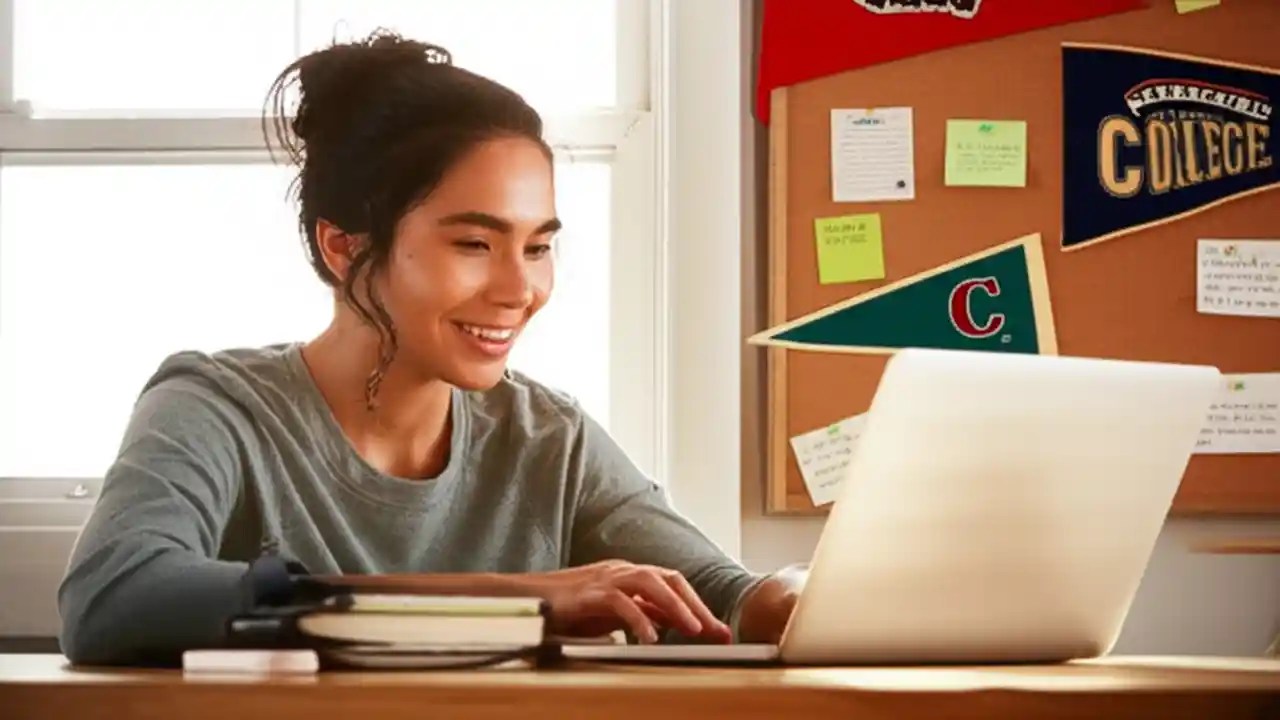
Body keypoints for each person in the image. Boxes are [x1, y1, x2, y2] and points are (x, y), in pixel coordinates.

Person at [57, 31, 803, 666]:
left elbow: (725, 598)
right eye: (475, 243)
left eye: (538, 246)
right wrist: (518, 600)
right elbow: (115, 595)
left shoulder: (549, 439)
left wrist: (803, 595)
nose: (521, 288)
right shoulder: (218, 408)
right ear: (345, 248)